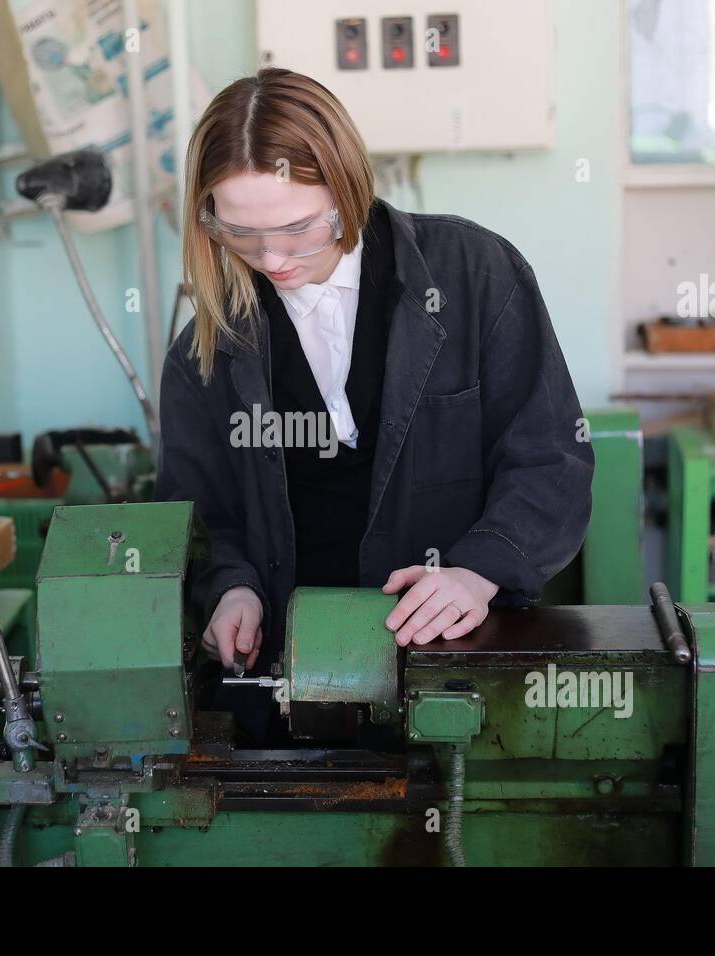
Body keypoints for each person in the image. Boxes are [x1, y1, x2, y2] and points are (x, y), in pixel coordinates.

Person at [155, 68, 593, 739]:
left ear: (348, 186)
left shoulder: (475, 275)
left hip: (453, 662)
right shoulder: (205, 349)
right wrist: (230, 589)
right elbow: (200, 513)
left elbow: (551, 461)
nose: (271, 258)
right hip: (286, 683)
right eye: (239, 232)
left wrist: (478, 570)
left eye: (299, 227)